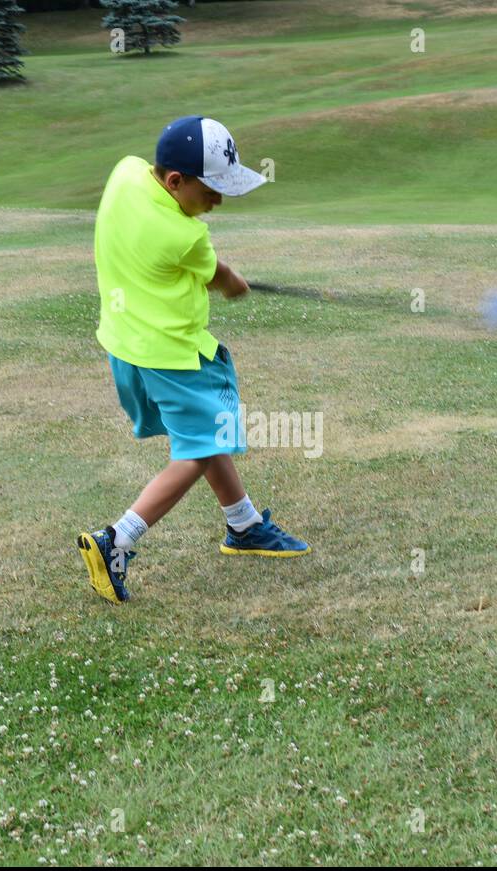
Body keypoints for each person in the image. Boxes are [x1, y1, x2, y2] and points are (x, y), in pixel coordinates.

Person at [78, 116, 310, 603]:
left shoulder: (125, 174)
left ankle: (243, 525)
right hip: (172, 356)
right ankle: (116, 540)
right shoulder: (187, 238)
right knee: (198, 449)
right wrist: (232, 282)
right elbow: (221, 278)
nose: (218, 202)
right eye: (211, 189)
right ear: (175, 181)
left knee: (209, 433)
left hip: (125, 348)